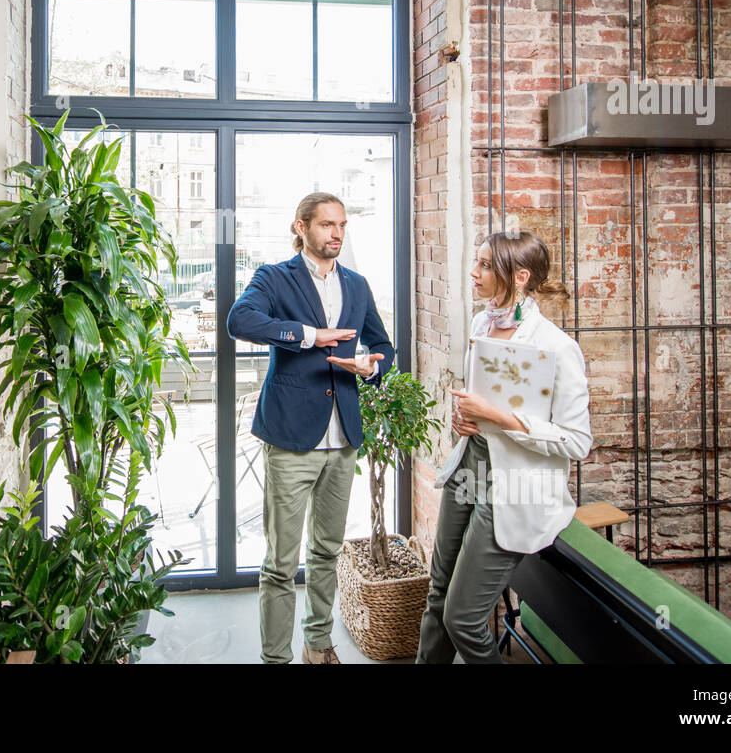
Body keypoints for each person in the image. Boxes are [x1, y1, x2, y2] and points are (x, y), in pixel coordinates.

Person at [227, 192, 396, 664]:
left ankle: (318, 644)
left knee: (327, 550)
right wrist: (309, 336)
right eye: (326, 225)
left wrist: (371, 367)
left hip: (343, 438)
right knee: (281, 563)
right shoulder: (274, 277)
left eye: (341, 224)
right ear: (300, 226)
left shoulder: (358, 286)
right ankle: (275, 658)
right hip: (290, 438)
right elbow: (239, 320)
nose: (336, 233)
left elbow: (383, 347)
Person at [415, 229, 592, 664]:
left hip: (513, 487)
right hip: (468, 469)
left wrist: (498, 418)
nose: (473, 273)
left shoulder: (557, 347)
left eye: (485, 265)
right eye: (476, 262)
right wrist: (465, 419)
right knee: (437, 592)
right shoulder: (482, 324)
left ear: (520, 276)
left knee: (463, 619)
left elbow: (577, 441)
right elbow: (481, 401)